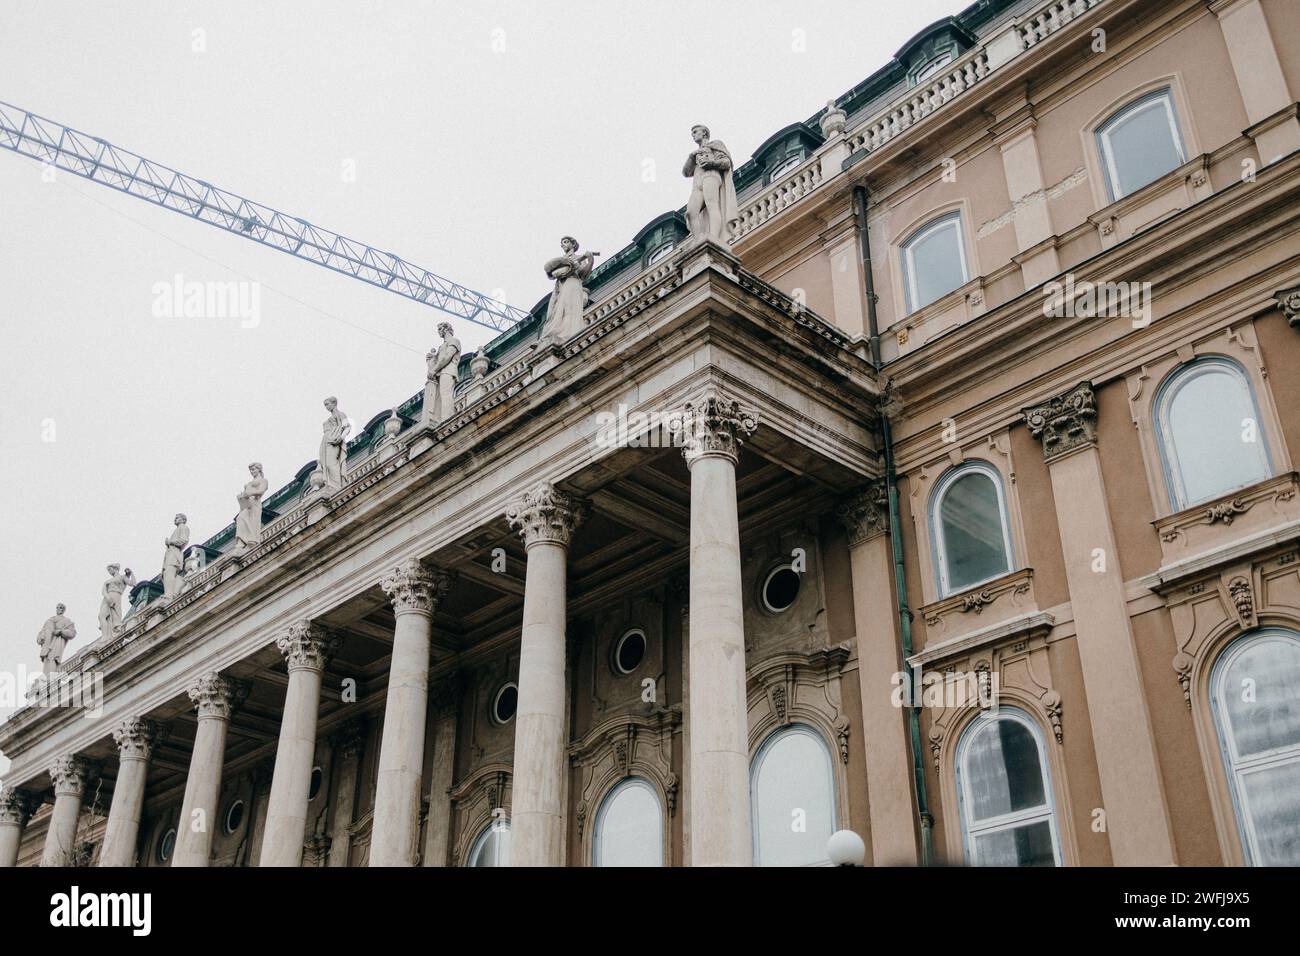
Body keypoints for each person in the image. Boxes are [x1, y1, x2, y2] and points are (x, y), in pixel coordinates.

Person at [682, 125, 739, 245]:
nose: (693, 135)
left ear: (704, 133)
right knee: (691, 212)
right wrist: (692, 156)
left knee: (712, 205)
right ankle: (699, 241)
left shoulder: (715, 144)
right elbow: (686, 172)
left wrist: (711, 162)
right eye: (692, 133)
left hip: (711, 176)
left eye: (695, 132)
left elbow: (727, 162)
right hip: (697, 183)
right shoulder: (695, 153)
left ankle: (714, 238)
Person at [541, 237, 598, 342]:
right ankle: (552, 333)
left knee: (568, 307)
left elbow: (583, 274)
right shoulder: (561, 261)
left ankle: (566, 334)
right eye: (562, 243)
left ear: (573, 244)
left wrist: (590, 261)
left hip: (573, 283)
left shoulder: (579, 257)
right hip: (559, 287)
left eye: (566, 242)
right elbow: (553, 273)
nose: (563, 245)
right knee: (553, 311)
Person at [235, 462, 269, 552]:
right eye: (250, 470)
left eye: (253, 469)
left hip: (255, 504)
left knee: (253, 521)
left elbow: (261, 490)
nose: (251, 472)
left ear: (259, 469)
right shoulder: (249, 483)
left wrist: (251, 493)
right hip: (246, 504)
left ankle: (252, 541)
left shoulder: (263, 481)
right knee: (240, 518)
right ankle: (242, 542)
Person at [318, 397, 351, 487]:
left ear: (334, 403)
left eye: (327, 404)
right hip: (326, 442)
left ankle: (337, 486)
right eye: (325, 405)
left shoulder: (341, 414)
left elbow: (347, 427)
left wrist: (341, 437)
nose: (326, 407)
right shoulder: (329, 419)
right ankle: (330, 485)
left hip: (334, 441)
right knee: (326, 465)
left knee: (331, 464)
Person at [37, 603, 77, 674]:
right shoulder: (49, 620)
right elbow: (42, 631)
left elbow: (72, 633)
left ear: (64, 610)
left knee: (53, 657)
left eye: (61, 608)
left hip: (57, 641)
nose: (59, 609)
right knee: (47, 658)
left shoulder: (66, 621)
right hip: (47, 644)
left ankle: (52, 674)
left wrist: (61, 631)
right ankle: (46, 675)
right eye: (57, 607)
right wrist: (40, 638)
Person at [98, 565, 136, 636]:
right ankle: (106, 636)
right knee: (101, 616)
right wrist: (108, 598)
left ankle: (115, 630)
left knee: (115, 613)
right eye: (108, 570)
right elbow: (103, 591)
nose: (109, 572)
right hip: (107, 597)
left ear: (115, 568)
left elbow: (133, 583)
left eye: (110, 569)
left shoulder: (123, 577)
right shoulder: (107, 581)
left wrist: (131, 573)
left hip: (116, 595)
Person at [162, 513, 190, 600]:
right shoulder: (178, 528)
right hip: (171, 553)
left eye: (177, 518)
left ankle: (169, 594)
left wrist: (170, 542)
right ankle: (173, 591)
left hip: (175, 553)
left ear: (183, 519)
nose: (175, 519)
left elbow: (184, 540)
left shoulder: (183, 527)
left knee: (169, 572)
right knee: (165, 574)